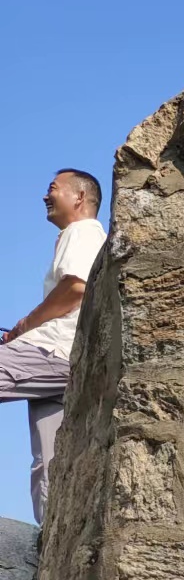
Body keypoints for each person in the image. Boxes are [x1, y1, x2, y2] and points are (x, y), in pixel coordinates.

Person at [0, 170, 106, 524]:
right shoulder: (82, 236)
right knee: (50, 459)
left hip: (54, 353)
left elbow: (76, 287)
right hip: (66, 364)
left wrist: (27, 325)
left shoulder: (83, 231)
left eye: (53, 189)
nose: (46, 197)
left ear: (79, 197)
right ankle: (52, 535)